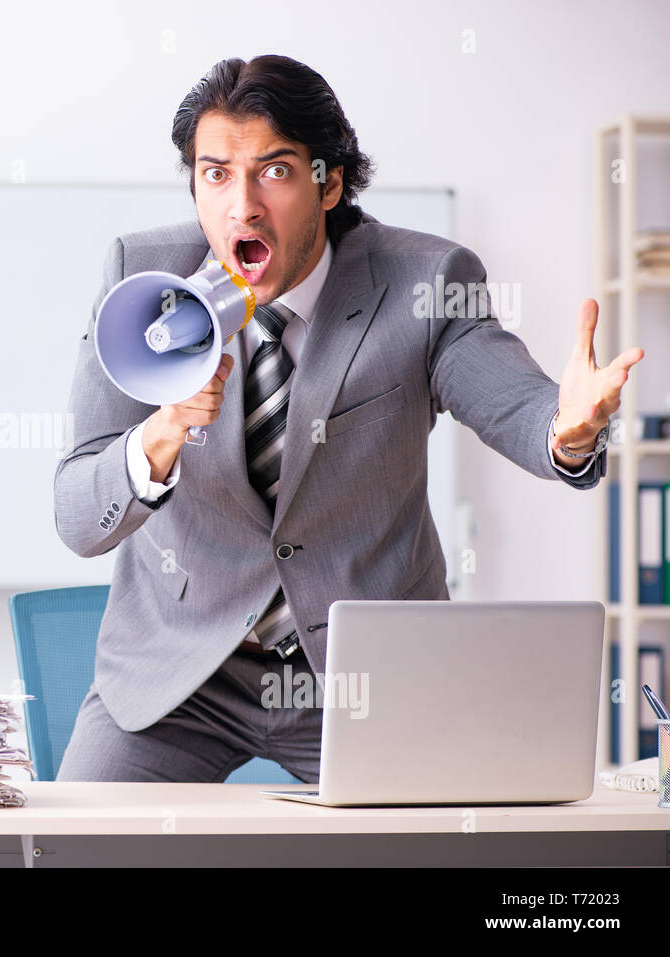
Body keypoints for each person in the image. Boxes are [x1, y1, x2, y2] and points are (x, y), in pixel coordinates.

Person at [52, 54, 643, 783]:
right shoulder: (142, 280)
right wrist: (160, 435)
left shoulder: (424, 281)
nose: (241, 206)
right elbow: (80, 516)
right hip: (180, 679)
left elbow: (509, 397)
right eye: (215, 174)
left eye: (274, 171)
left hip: (364, 679)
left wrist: (566, 429)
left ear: (328, 181)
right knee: (77, 845)